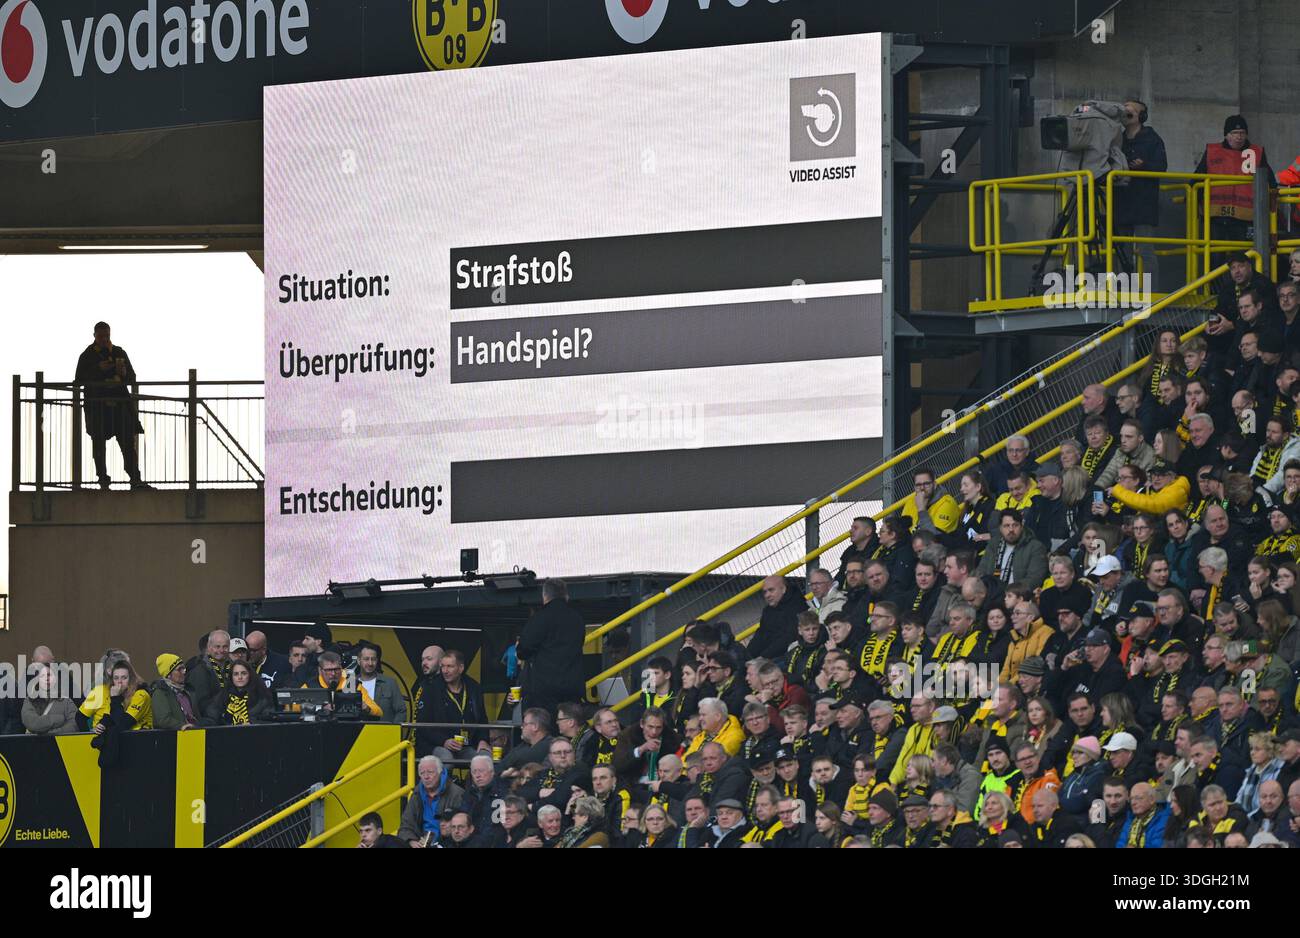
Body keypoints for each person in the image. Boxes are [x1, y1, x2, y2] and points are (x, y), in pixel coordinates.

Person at [73, 321, 149, 490]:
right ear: (94, 336)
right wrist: (98, 369)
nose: (105, 339)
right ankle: (103, 480)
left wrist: (124, 373)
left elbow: (132, 377)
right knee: (99, 444)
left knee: (128, 445)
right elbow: (78, 381)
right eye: (101, 336)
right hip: (98, 408)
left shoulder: (118, 352)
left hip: (120, 407)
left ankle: (135, 479)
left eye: (107, 335)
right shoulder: (87, 356)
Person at [517, 579, 586, 716]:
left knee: (545, 729)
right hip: (572, 687)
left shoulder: (540, 618)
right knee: (570, 728)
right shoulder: (577, 619)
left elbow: (523, 651)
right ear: (566, 596)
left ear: (545, 597)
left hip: (544, 691)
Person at [398, 755, 466, 846]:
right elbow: (406, 825)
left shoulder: (457, 794)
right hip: (420, 842)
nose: (426, 777)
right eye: (422, 773)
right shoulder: (417, 794)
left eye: (430, 772)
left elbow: (464, 828)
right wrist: (411, 841)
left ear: (440, 773)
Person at [976, 509, 1048, 588]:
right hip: (991, 593)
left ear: (1021, 526)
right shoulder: (993, 544)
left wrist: (1011, 591)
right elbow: (981, 570)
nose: (1011, 530)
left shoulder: (1035, 547)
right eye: (1006, 526)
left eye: (1015, 525)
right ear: (1000, 528)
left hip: (1017, 596)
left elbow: (1034, 579)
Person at [307, 652, 382, 717]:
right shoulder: (311, 685)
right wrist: (320, 708)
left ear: (341, 668)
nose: (333, 674)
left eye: (337, 669)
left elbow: (378, 711)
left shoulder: (351, 684)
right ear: (320, 670)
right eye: (329, 670)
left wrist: (367, 709)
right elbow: (296, 706)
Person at [206, 661, 273, 725]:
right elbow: (212, 717)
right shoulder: (223, 696)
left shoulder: (262, 697)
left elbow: (269, 721)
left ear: (250, 675)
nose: (240, 677)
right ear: (231, 677)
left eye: (243, 673)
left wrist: (252, 724)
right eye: (236, 674)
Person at [185, 629, 234, 716]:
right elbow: (201, 703)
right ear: (209, 647)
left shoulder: (236, 668)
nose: (221, 650)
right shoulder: (199, 670)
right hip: (210, 722)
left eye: (225, 646)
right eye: (217, 646)